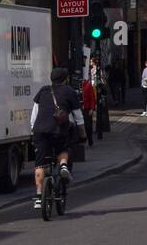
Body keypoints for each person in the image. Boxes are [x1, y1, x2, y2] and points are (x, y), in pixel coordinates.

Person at [31, 67, 84, 210]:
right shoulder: (69, 91)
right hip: (58, 130)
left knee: (40, 165)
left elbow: (34, 115)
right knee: (63, 147)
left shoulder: (43, 91)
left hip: (40, 131)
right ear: (65, 79)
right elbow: (78, 117)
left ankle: (38, 197)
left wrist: (34, 131)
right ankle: (64, 165)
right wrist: (83, 134)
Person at [81, 74, 97, 147]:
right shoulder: (79, 86)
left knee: (88, 125)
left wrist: (92, 108)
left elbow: (92, 98)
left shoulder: (88, 85)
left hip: (87, 109)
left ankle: (89, 139)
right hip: (80, 108)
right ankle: (84, 139)